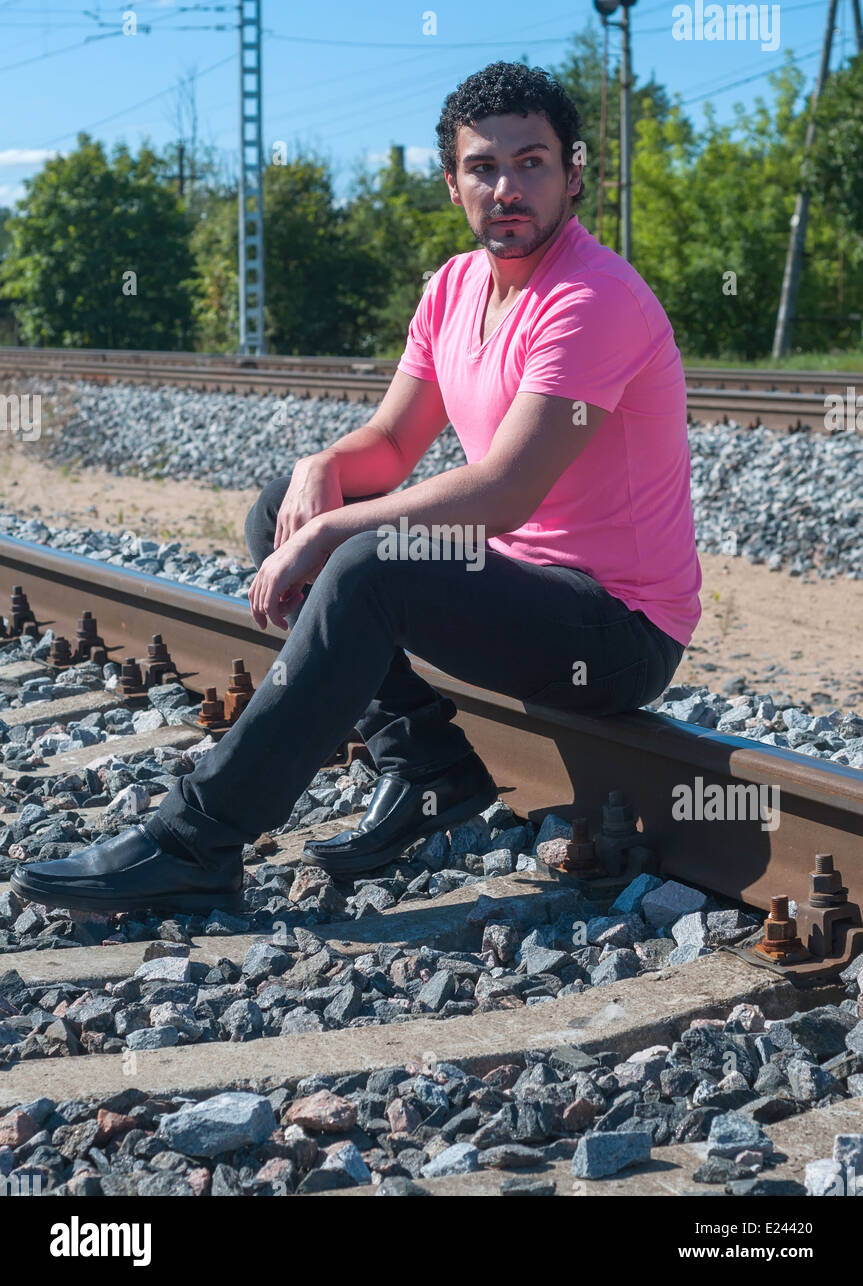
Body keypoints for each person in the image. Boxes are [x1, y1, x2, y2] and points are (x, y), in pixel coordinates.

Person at [11, 61, 702, 916]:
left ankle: (196, 842)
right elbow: (387, 445)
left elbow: (505, 490)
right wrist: (319, 475)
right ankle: (427, 764)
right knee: (285, 509)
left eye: (532, 163)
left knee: (365, 563)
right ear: (452, 183)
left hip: (615, 628)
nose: (507, 187)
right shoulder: (453, 289)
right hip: (524, 589)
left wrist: (332, 536)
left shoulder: (593, 297)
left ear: (574, 175)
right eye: (483, 167)